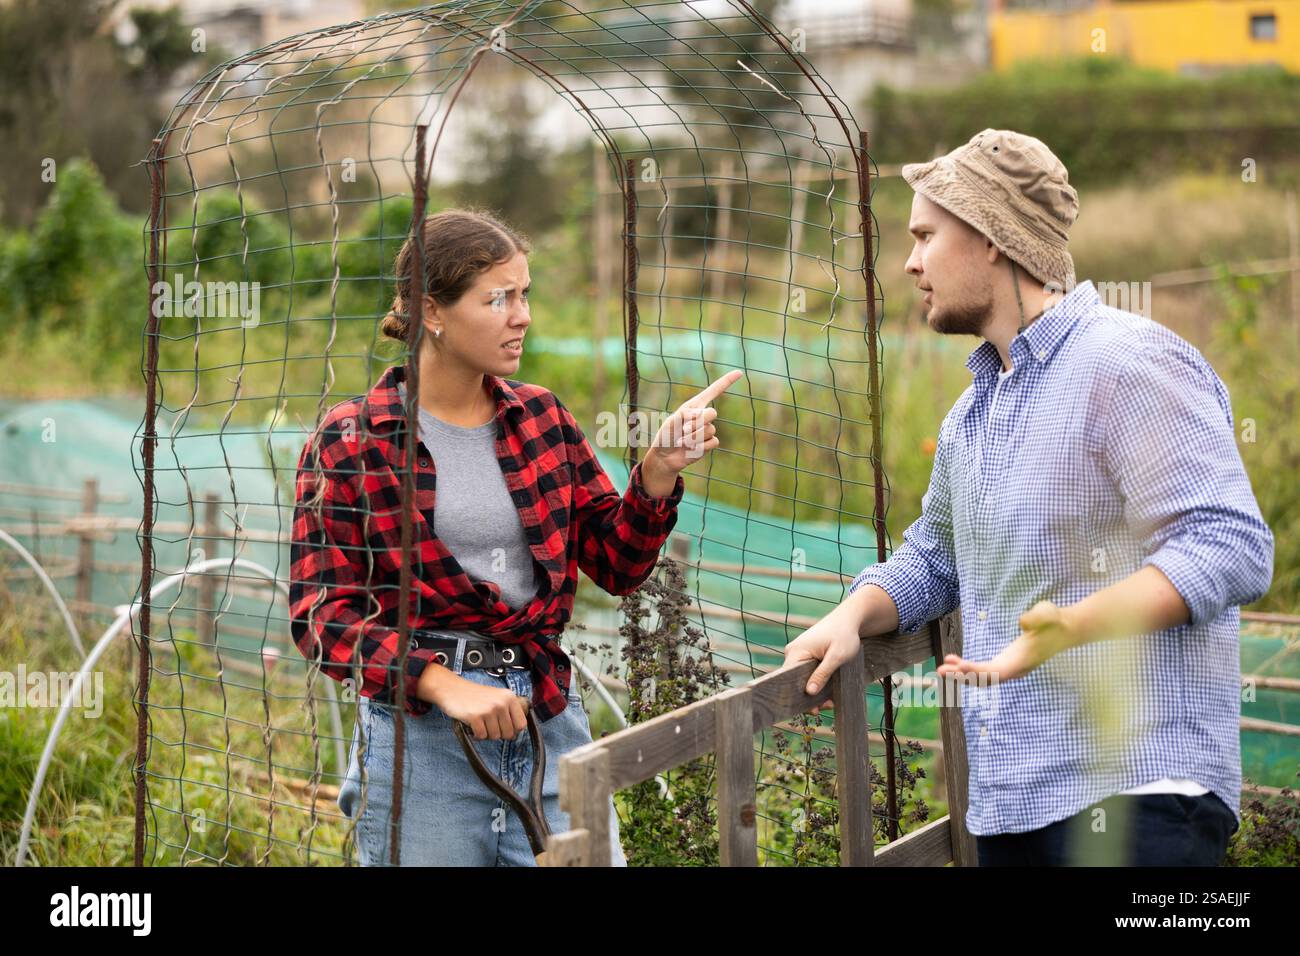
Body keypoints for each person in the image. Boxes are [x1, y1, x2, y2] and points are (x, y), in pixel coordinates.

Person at [782, 130, 1274, 866]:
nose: (911, 262)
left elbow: (1231, 546)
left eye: (925, 235)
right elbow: (935, 559)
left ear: (989, 238)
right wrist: (851, 615)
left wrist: (1073, 626)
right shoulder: (972, 415)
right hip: (1011, 806)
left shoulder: (1126, 363)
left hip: (1137, 798)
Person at [289, 207, 741, 866]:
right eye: (498, 298)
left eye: (524, 294)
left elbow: (616, 564)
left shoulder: (541, 417)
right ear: (431, 311)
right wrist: (443, 683)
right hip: (421, 747)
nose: (522, 314)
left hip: (548, 721)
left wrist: (656, 472)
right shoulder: (353, 439)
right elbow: (320, 615)